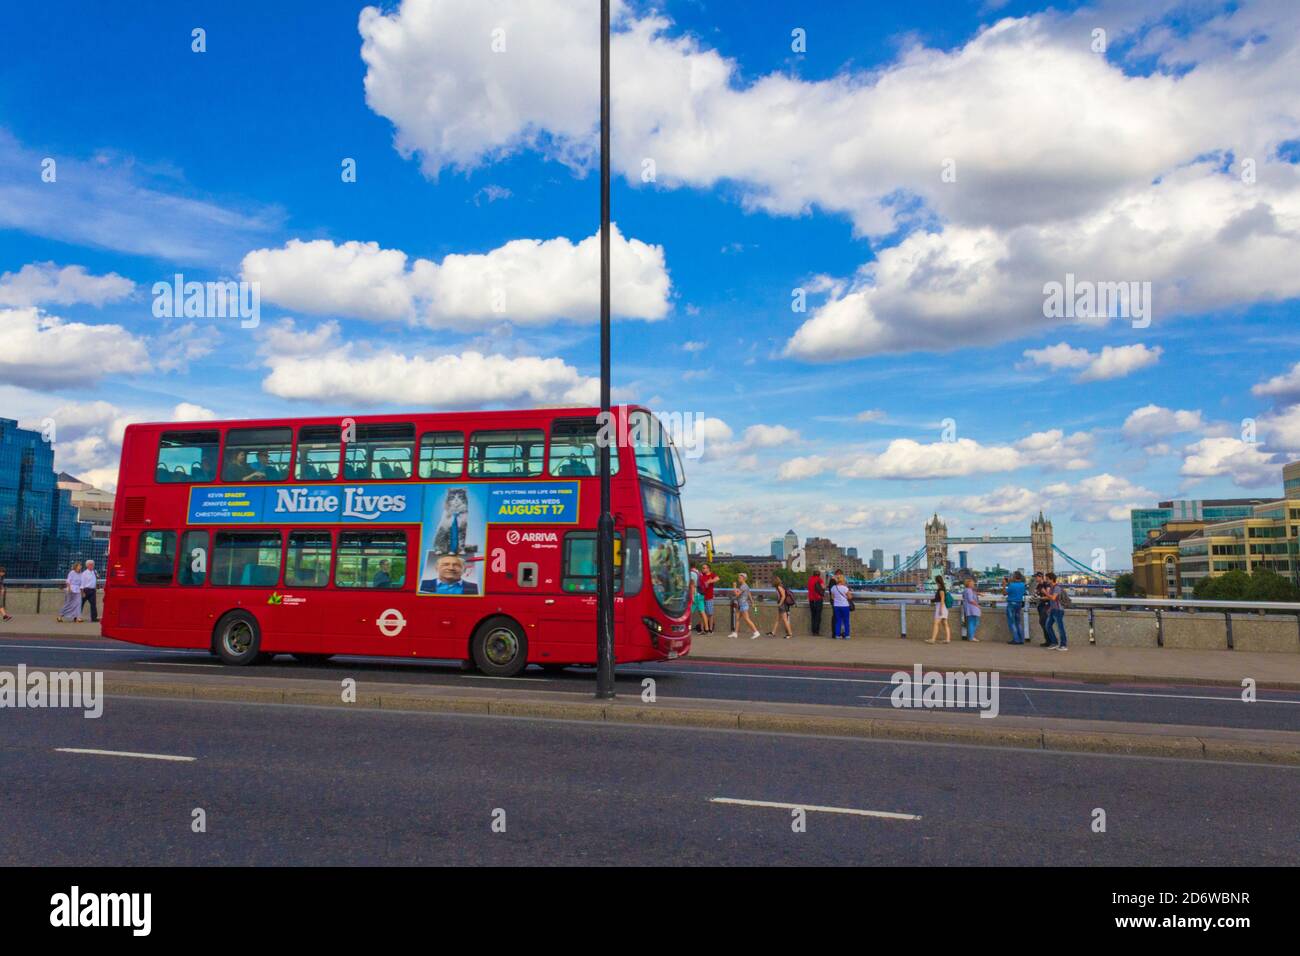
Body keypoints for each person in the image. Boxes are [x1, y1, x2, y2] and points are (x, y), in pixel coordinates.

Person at [728, 572, 760, 639]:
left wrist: (734, 587)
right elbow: (749, 594)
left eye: (740, 577)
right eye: (738, 577)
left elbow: (737, 594)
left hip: (743, 605)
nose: (738, 578)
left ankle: (756, 632)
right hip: (741, 604)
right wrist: (752, 602)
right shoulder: (745, 585)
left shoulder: (743, 586)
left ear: (744, 578)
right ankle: (735, 633)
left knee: (747, 619)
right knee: (737, 619)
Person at [1046, 572, 1068, 650]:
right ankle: (1054, 642)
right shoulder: (1052, 587)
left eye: (1047, 579)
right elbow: (1053, 601)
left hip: (1058, 610)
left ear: (1052, 579)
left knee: (1060, 627)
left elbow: (1053, 598)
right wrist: (1050, 608)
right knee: (1048, 626)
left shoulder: (1057, 587)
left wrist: (1045, 592)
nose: (1046, 580)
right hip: (1053, 609)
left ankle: (1063, 645)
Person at [927, 575, 952, 644]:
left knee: (936, 623)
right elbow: (938, 599)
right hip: (943, 608)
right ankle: (947, 639)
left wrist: (940, 609)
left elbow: (942, 599)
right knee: (945, 623)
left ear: (937, 581)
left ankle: (933, 639)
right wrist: (932, 600)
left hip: (941, 607)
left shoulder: (941, 590)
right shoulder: (942, 588)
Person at [1033, 571, 1055, 647]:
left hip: (1046, 606)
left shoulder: (1046, 584)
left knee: (1045, 623)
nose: (1035, 578)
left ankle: (1051, 641)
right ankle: (1048, 641)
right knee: (1042, 623)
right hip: (1040, 606)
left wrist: (1040, 597)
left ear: (1040, 577)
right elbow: (1036, 594)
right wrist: (1035, 597)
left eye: (1036, 577)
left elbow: (1049, 596)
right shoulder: (1038, 585)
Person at [1005, 570, 1026, 644]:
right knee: (1018, 622)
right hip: (1019, 604)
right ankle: (1022, 639)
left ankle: (1016, 639)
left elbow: (1005, 593)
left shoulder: (1011, 585)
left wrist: (1004, 585)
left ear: (1014, 577)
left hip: (1011, 604)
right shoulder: (1023, 585)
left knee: (1012, 622)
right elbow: (1023, 593)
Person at [829, 572, 852, 640]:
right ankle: (847, 635)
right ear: (843, 580)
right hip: (844, 606)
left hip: (836, 606)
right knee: (846, 621)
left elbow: (832, 597)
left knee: (838, 621)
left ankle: (837, 635)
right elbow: (850, 597)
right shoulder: (845, 588)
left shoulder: (833, 587)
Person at [697, 563, 718, 633]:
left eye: (704, 568)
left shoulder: (712, 574)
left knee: (710, 614)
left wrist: (710, 581)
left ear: (708, 569)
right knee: (702, 614)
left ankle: (710, 629)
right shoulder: (701, 575)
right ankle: (703, 629)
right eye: (702, 568)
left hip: (709, 597)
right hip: (701, 597)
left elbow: (717, 578)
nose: (703, 569)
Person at [961, 577, 982, 641]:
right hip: (972, 609)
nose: (973, 584)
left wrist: (978, 593)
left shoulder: (966, 590)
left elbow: (967, 596)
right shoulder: (969, 590)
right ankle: (971, 637)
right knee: (974, 623)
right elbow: (970, 599)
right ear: (969, 584)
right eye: (972, 583)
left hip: (968, 609)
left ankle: (971, 637)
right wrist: (977, 605)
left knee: (971, 622)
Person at [806, 570, 825, 636]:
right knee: (818, 616)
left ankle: (813, 631)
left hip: (811, 599)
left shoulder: (810, 579)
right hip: (818, 599)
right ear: (819, 575)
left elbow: (808, 588)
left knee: (813, 615)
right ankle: (816, 632)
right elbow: (823, 587)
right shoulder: (820, 580)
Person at [688, 563, 702, 632]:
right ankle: (702, 628)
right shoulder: (698, 572)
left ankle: (689, 628)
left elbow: (692, 585)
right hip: (700, 594)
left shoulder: (691, 573)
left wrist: (692, 596)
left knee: (689, 613)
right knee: (701, 612)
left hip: (694, 594)